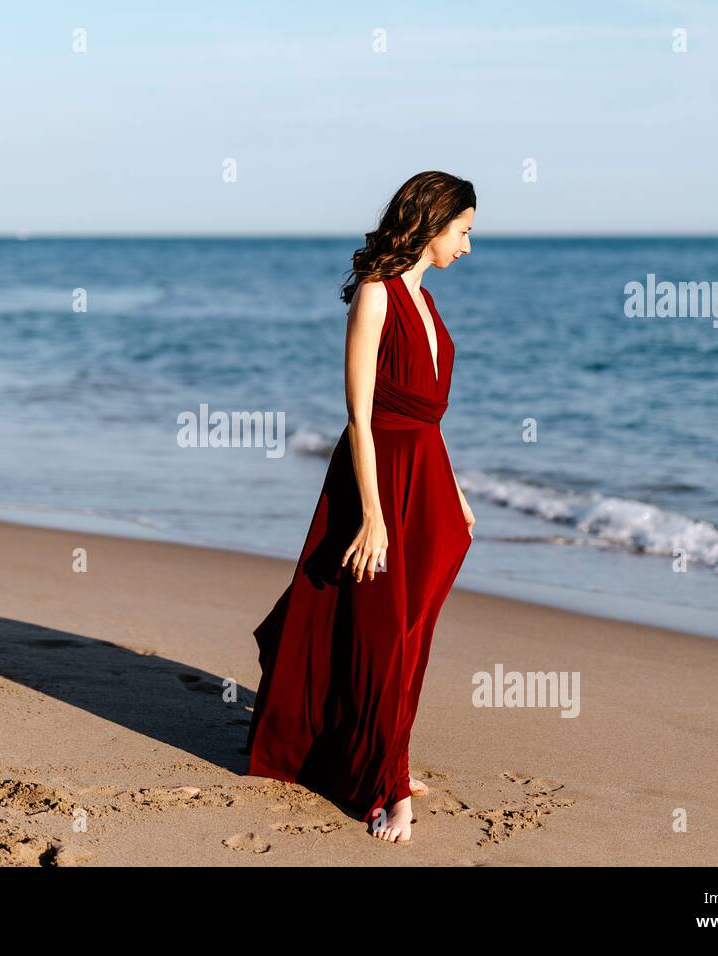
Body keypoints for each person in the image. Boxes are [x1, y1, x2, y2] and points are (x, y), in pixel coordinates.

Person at [245, 170, 477, 844]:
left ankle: (390, 757)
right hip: (378, 481)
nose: (467, 246)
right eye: (462, 231)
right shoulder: (376, 297)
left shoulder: (426, 302)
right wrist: (373, 515)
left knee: (413, 631)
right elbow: (360, 415)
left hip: (428, 480)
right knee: (380, 632)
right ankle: (386, 787)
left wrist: (457, 493)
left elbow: (428, 418)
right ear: (431, 222)